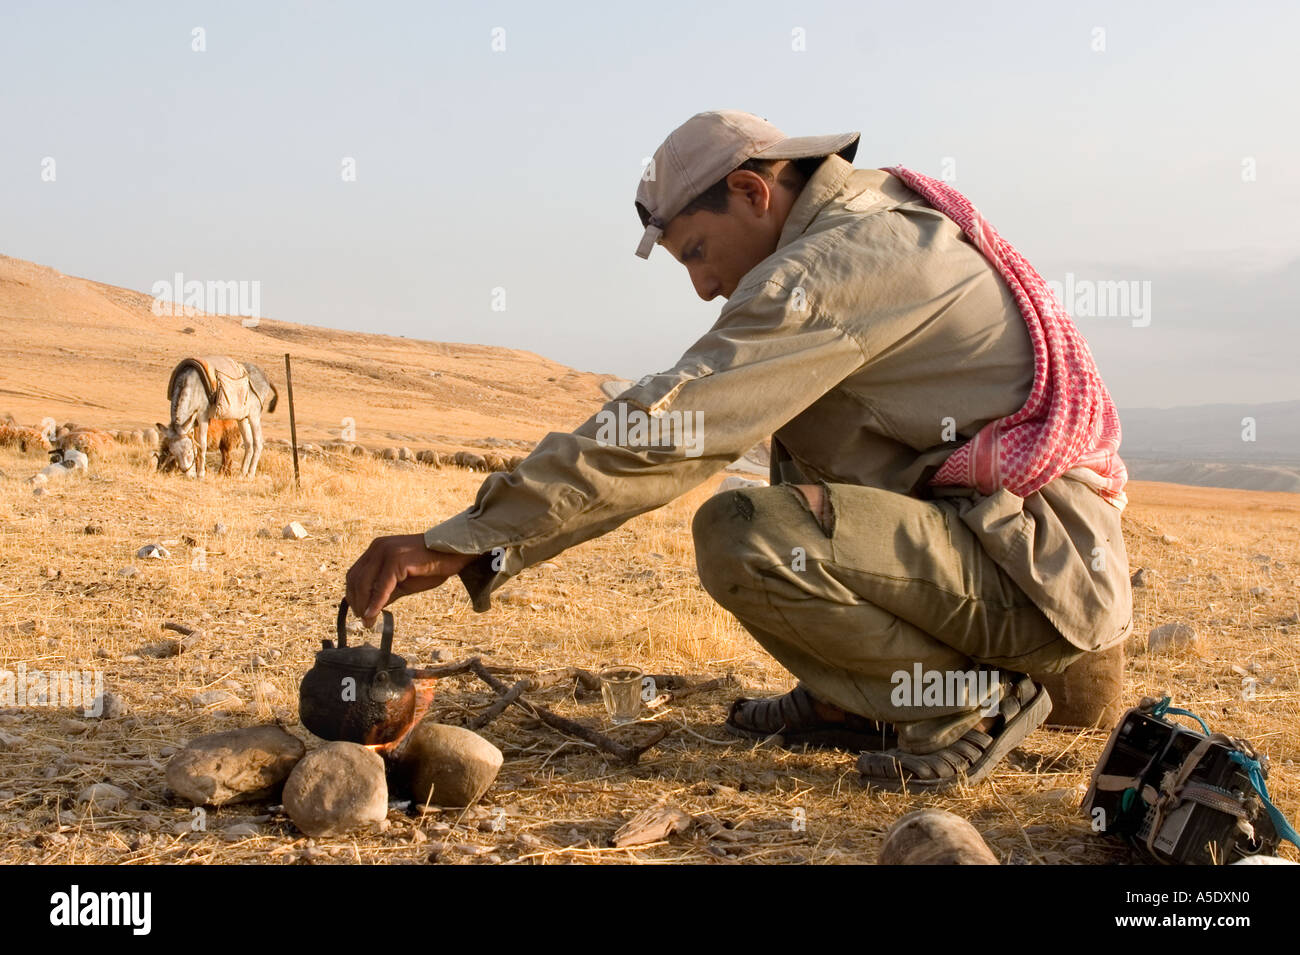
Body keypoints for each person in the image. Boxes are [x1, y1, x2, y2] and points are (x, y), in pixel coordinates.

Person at [345, 110, 1133, 792]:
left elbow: (673, 425)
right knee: (800, 436)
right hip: (1003, 551)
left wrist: (466, 537)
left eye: (695, 251)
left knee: (741, 534)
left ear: (755, 192)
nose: (700, 285)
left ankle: (967, 700)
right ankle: (851, 701)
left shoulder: (834, 268)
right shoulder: (862, 219)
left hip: (1036, 574)